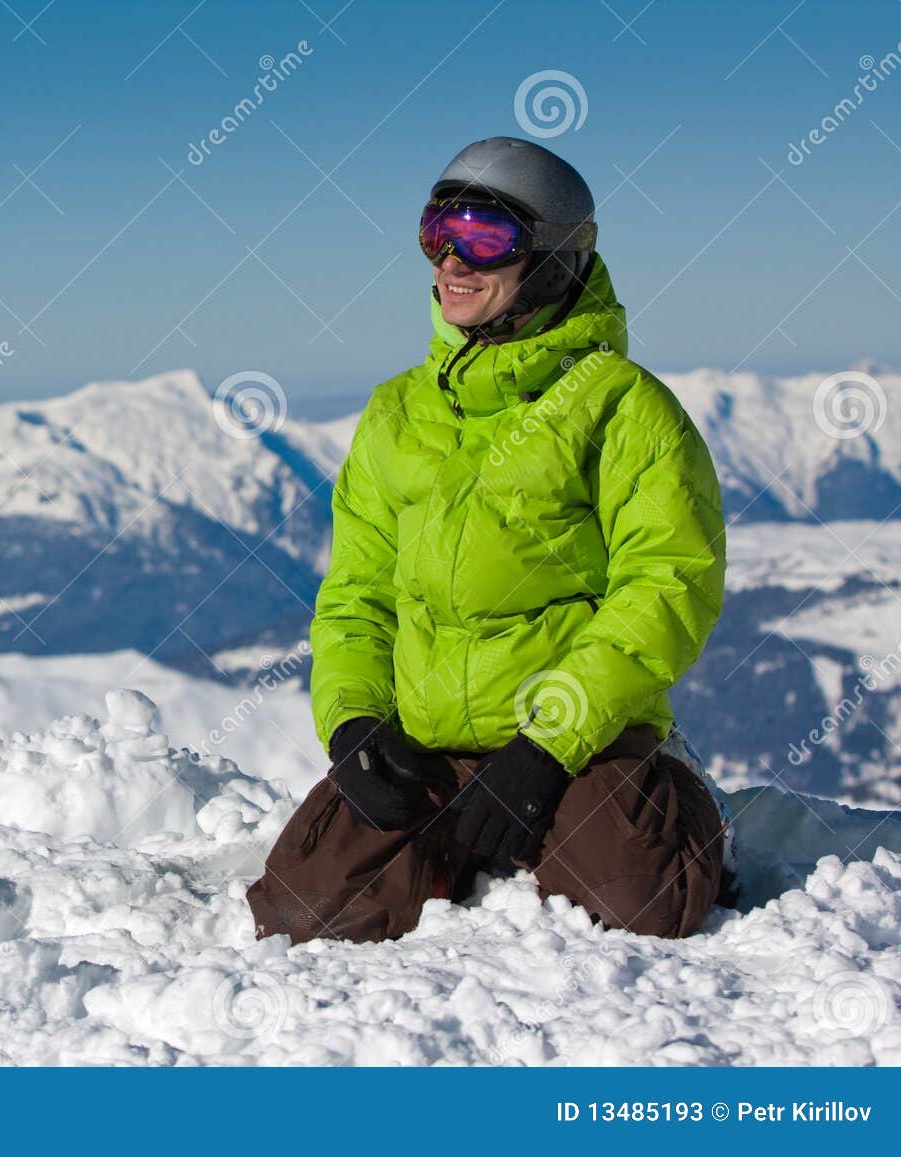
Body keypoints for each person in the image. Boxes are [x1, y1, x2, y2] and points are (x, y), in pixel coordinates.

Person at [247, 136, 728, 944]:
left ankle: (673, 796)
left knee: (644, 901)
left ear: (552, 258)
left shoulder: (623, 408)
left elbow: (668, 585)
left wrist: (547, 747)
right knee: (303, 909)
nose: (451, 261)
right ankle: (464, 843)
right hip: (428, 732)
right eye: (438, 232)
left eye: (485, 237)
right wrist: (354, 721)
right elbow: (358, 594)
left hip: (572, 736)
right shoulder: (397, 414)